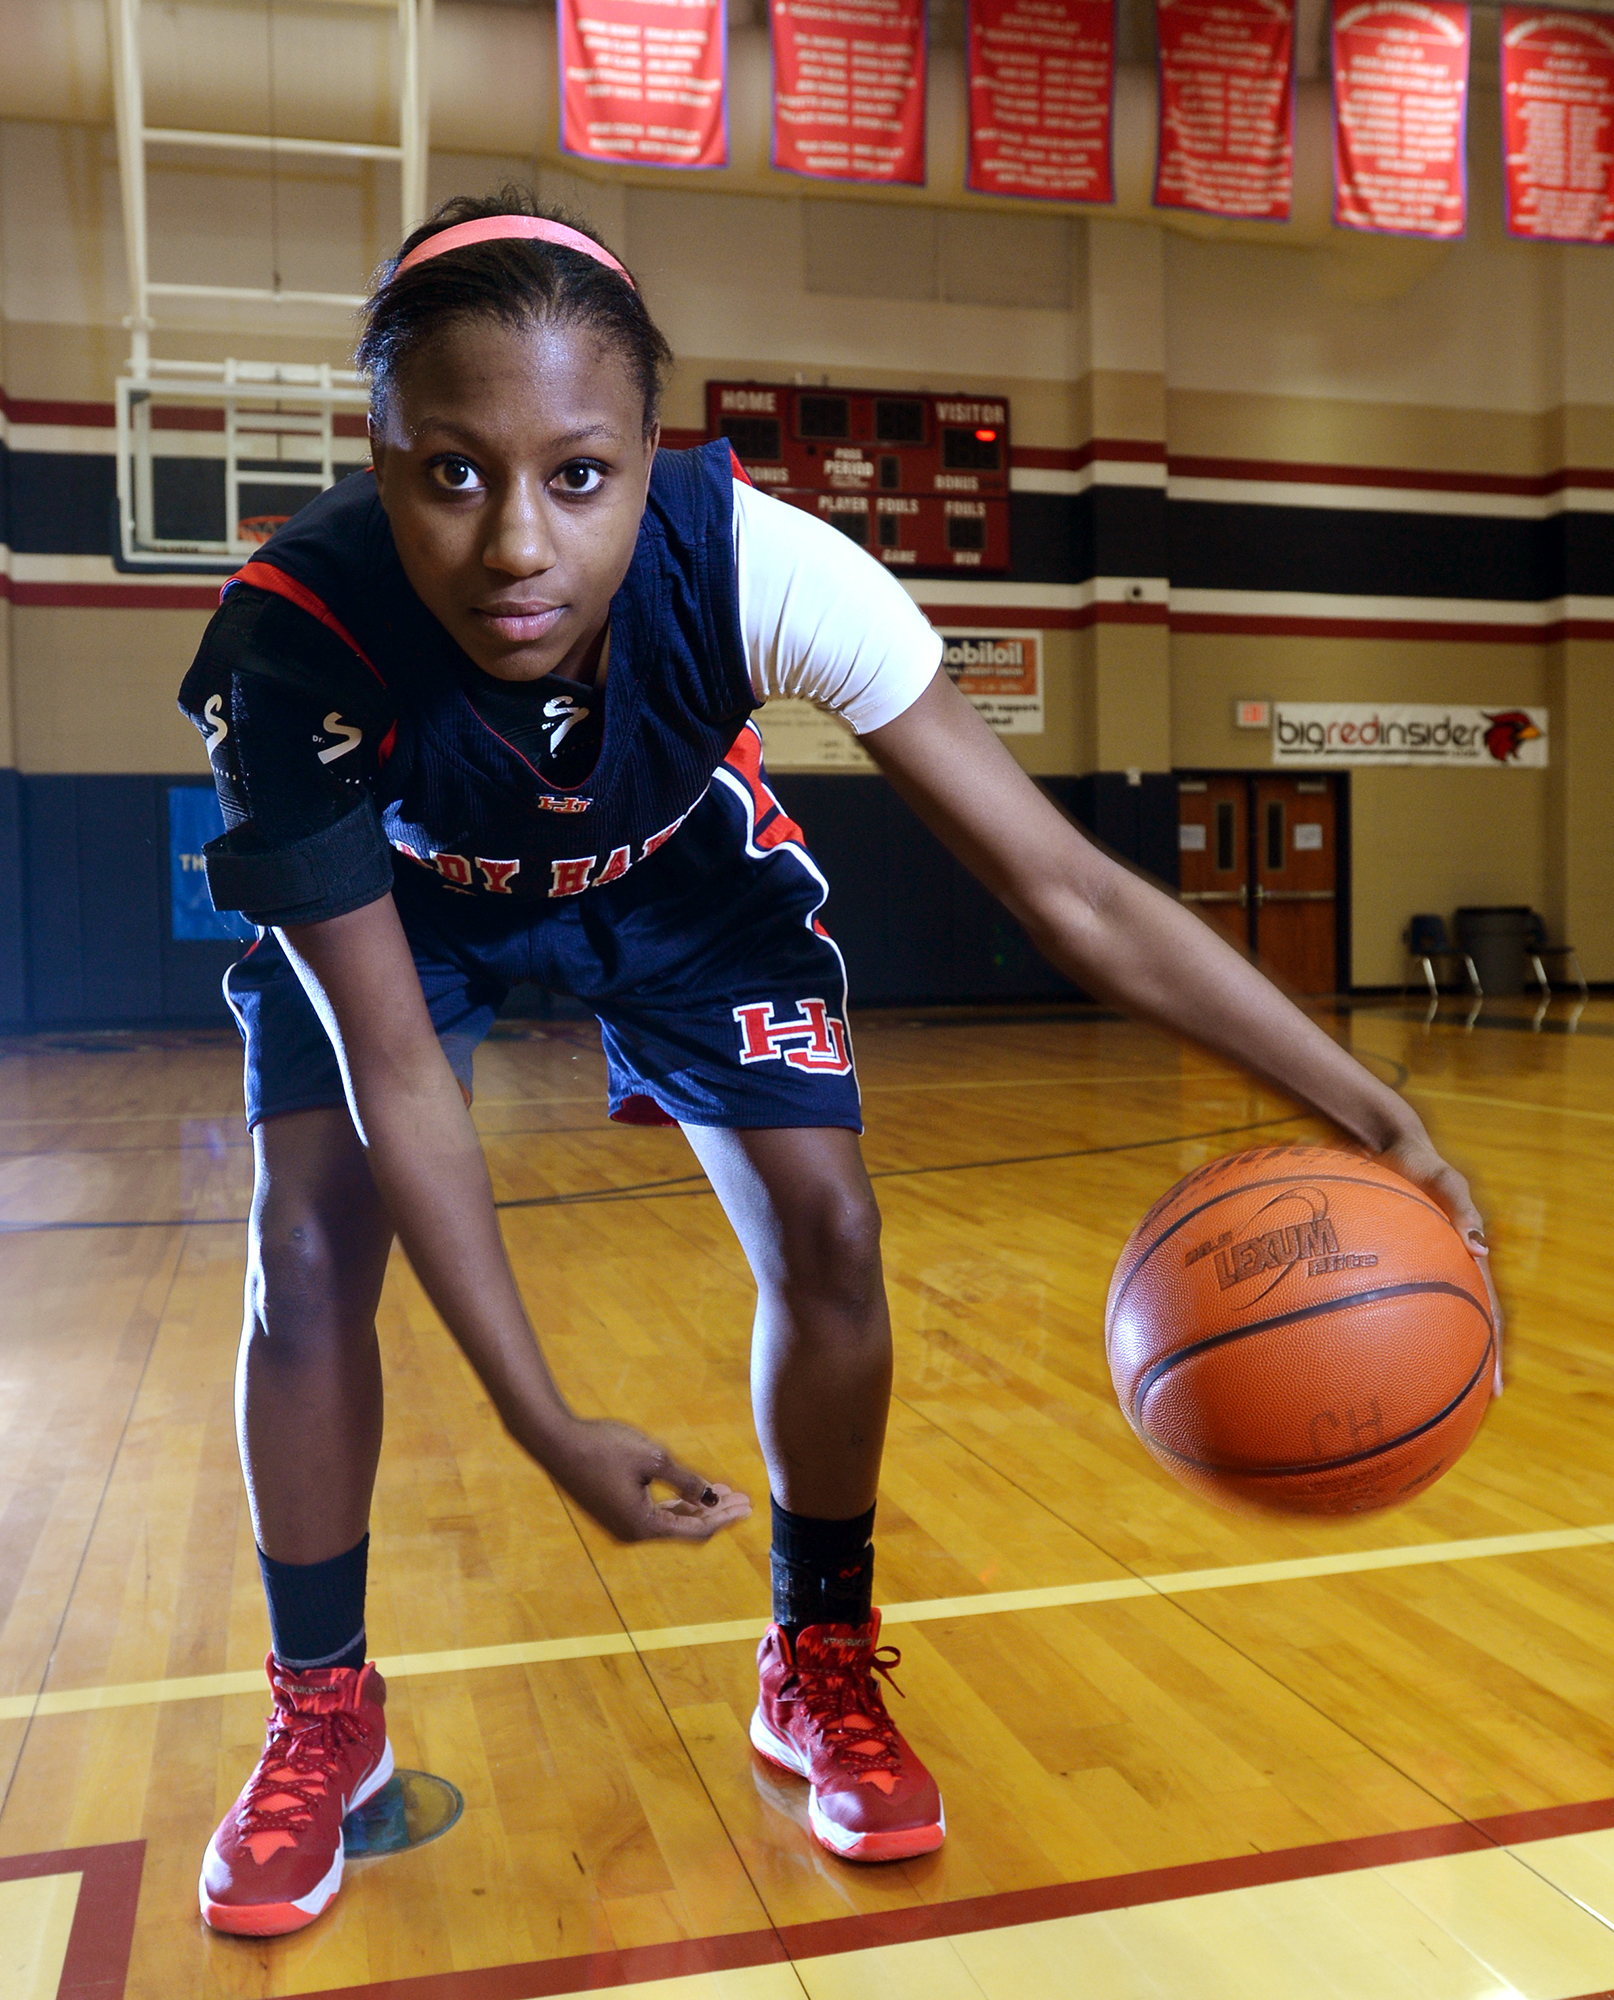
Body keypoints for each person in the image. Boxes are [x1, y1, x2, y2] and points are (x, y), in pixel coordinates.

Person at [179, 189, 1498, 1939]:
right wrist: (542, 1416)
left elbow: (1070, 892)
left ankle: (815, 1655)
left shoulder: (766, 566)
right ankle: (321, 1705)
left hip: (673, 880)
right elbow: (406, 1081)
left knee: (835, 1232)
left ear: (652, 455)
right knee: (304, 1248)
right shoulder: (289, 654)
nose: (516, 543)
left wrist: (1378, 1110)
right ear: (379, 455)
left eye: (578, 474)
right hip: (401, 906)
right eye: (452, 472)